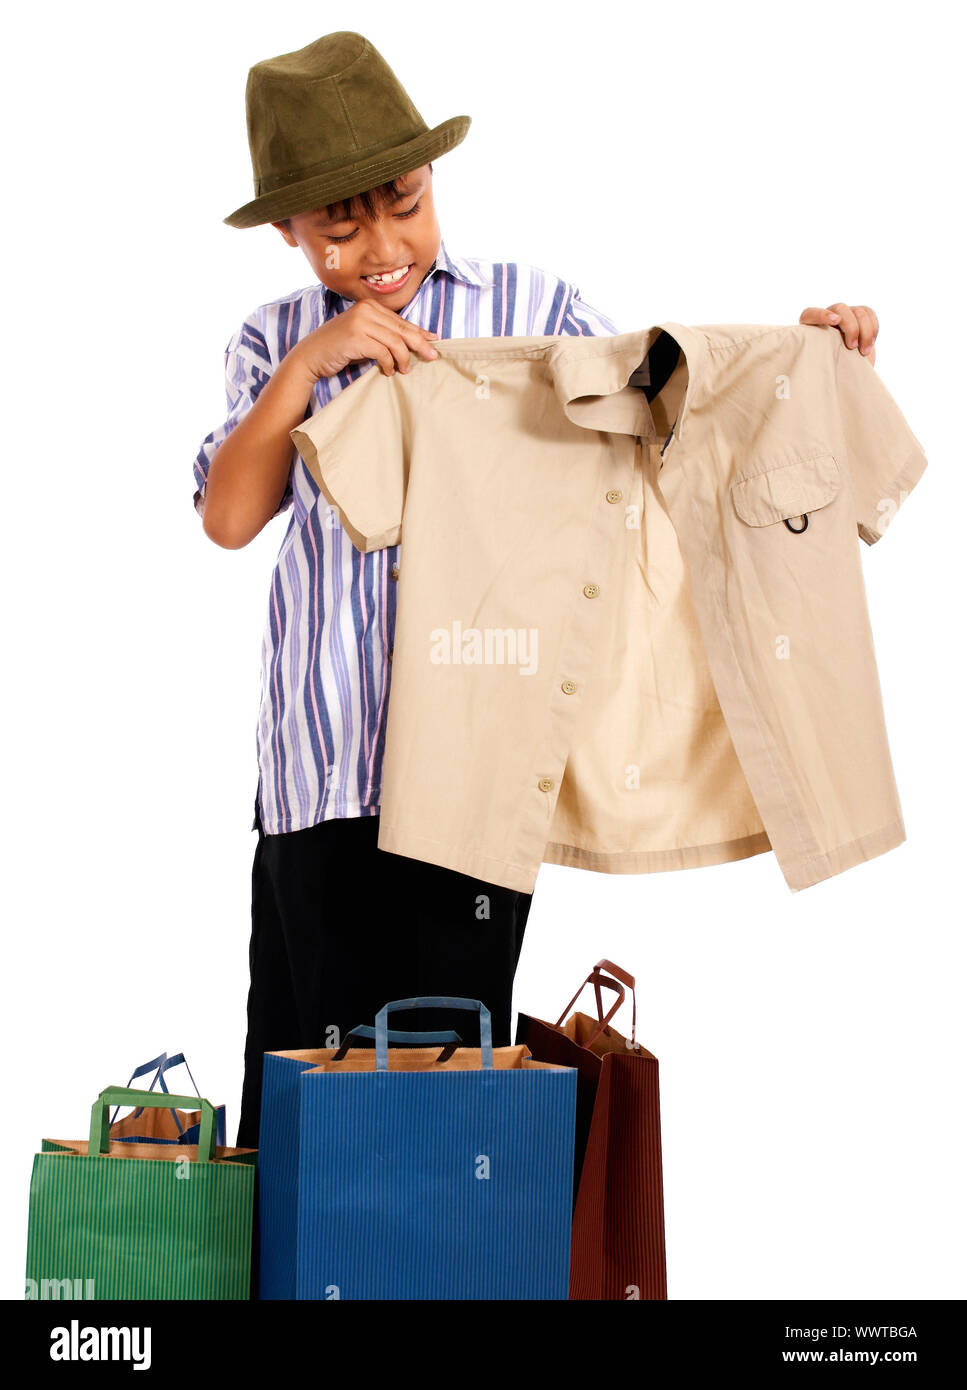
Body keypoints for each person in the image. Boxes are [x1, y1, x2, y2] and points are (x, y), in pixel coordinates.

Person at [193, 31, 882, 1148]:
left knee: (451, 1084)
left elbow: (663, 419)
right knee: (303, 1095)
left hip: (479, 770)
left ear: (432, 182)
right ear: (288, 231)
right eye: (340, 225)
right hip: (320, 772)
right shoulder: (274, 339)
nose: (382, 244)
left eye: (402, 202)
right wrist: (311, 368)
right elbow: (228, 516)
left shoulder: (532, 304)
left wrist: (804, 364)